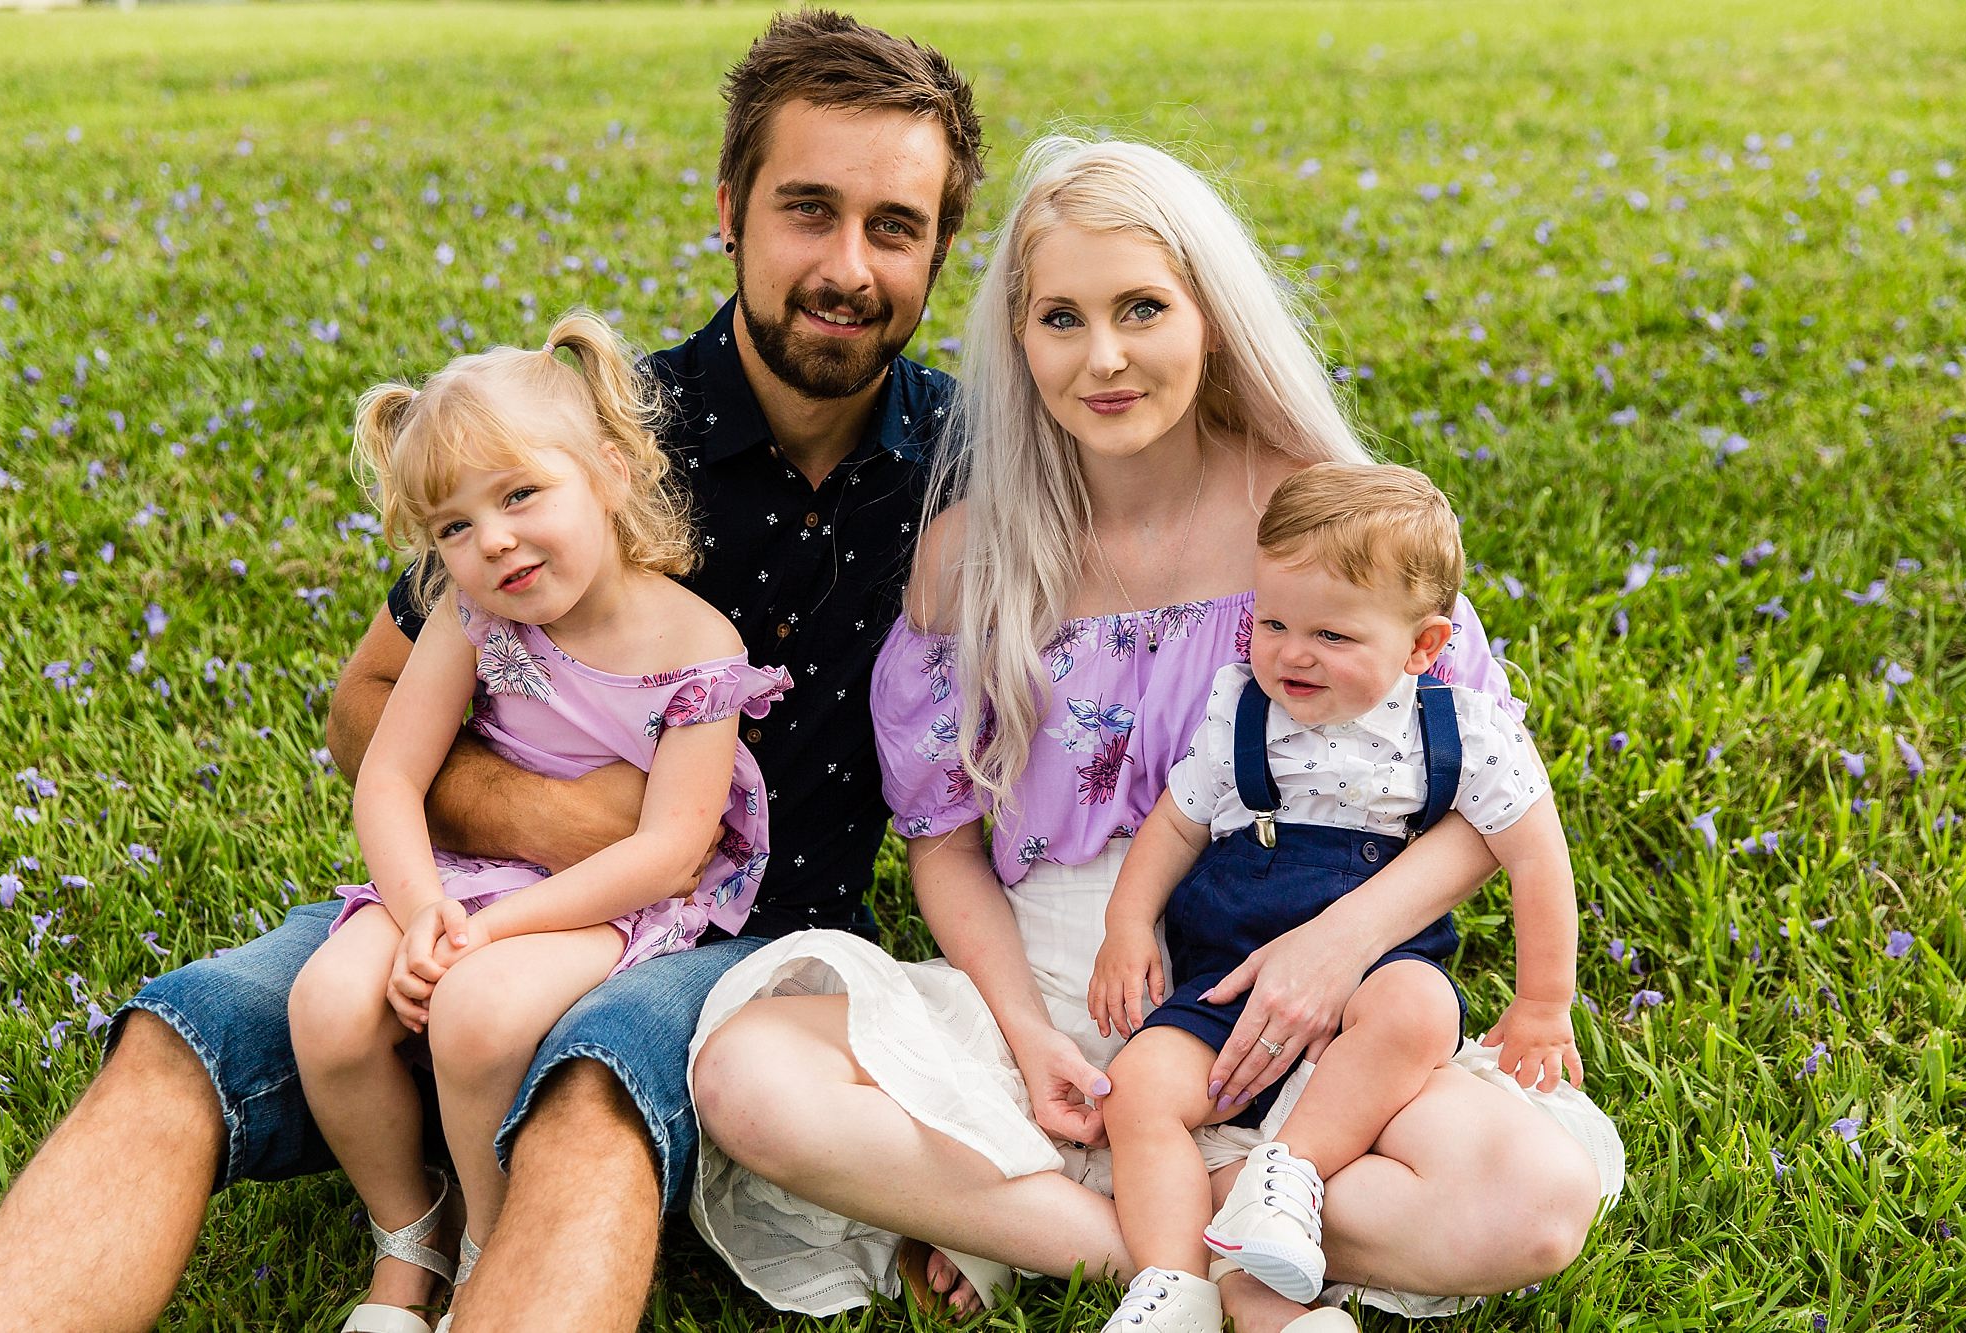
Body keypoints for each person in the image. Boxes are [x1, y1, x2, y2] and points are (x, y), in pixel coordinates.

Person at [0, 12, 983, 1331]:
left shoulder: (975, 473)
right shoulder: (597, 433)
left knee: (588, 1099)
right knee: (187, 1040)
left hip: (749, 944)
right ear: (732, 210)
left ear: (940, 249)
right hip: (471, 897)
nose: (846, 266)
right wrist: (540, 835)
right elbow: (366, 706)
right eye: (808, 209)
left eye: (895, 226)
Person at [688, 137, 1624, 1331]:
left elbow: (1482, 798)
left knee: (1530, 1201)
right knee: (751, 1077)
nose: (1105, 357)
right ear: (1019, 344)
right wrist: (1026, 1041)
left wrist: (1335, 947)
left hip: (1301, 1012)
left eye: (1142, 308)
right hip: (1061, 1002)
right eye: (1060, 319)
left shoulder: (1316, 521)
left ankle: (1090, 1222)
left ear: (1211, 318)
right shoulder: (971, 557)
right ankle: (1204, 1247)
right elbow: (942, 842)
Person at [291, 308, 788, 1333]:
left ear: (608, 472)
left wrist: (489, 933)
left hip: (612, 898)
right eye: (455, 528)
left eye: (520, 494)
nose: (494, 541)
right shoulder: (474, 621)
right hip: (464, 878)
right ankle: (407, 1235)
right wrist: (424, 910)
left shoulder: (697, 648)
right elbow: (386, 778)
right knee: (330, 1005)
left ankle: (485, 1239)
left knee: (473, 1014)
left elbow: (668, 851)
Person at [1087, 461, 1583, 1328]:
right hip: (1228, 980)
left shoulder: (1459, 730)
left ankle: (1290, 1174)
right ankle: (1174, 1285)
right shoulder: (1239, 709)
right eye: (1272, 621)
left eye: (1334, 636)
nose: (1292, 652)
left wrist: (1543, 1002)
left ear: (1423, 646)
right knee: (1137, 1087)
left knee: (1422, 1007)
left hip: (1374, 976)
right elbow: (1175, 826)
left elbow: (1538, 858)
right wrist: (1128, 923)